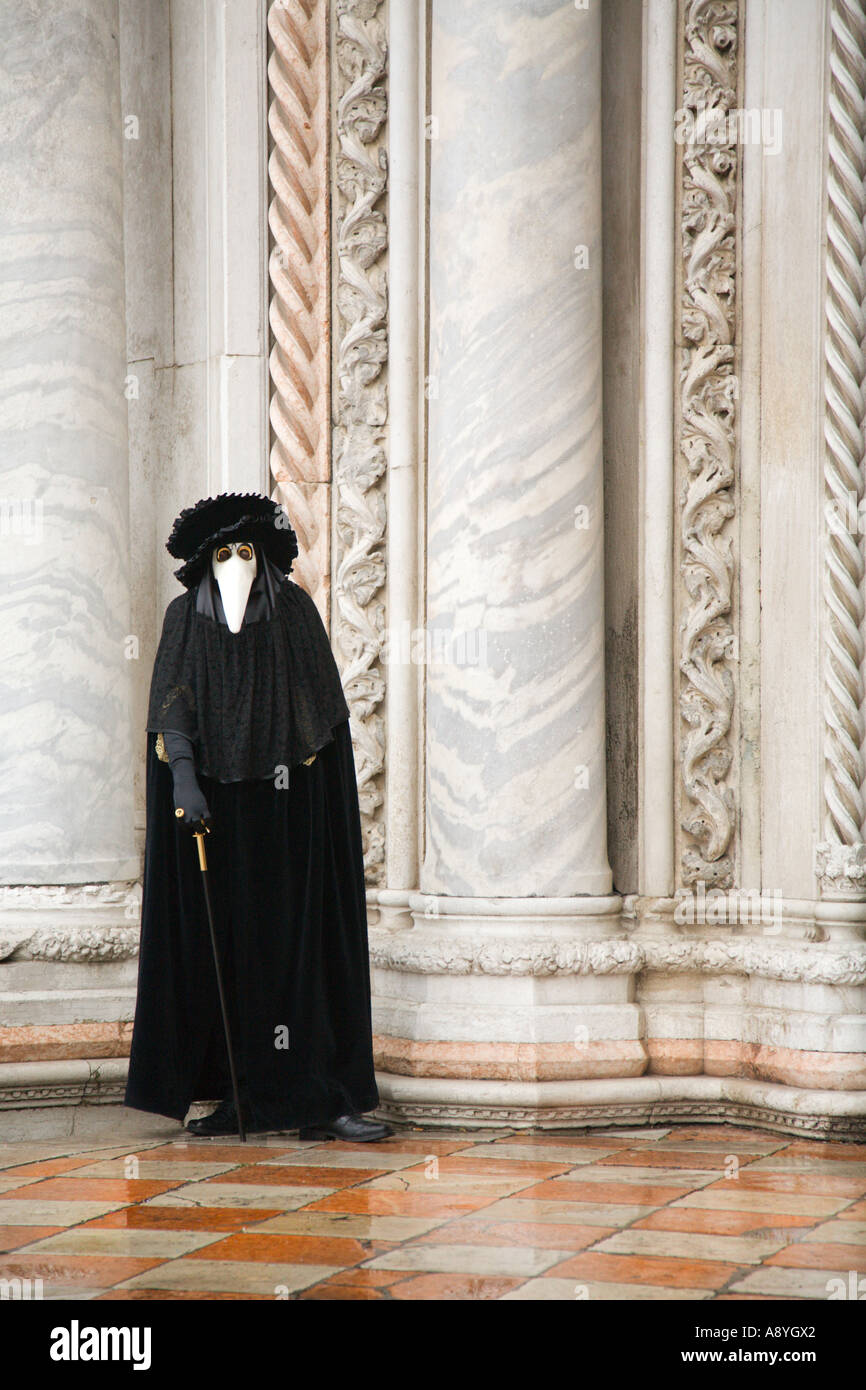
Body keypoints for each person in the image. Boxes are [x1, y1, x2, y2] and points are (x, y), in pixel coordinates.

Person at [124, 492, 391, 1141]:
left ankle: (321, 1096)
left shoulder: (294, 613)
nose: (237, 563)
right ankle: (240, 1097)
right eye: (224, 552)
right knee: (227, 953)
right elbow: (174, 703)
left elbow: (318, 715)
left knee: (297, 956)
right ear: (204, 561)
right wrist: (184, 779)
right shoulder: (186, 617)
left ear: (266, 558)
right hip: (215, 817)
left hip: (288, 815)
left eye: (247, 551)